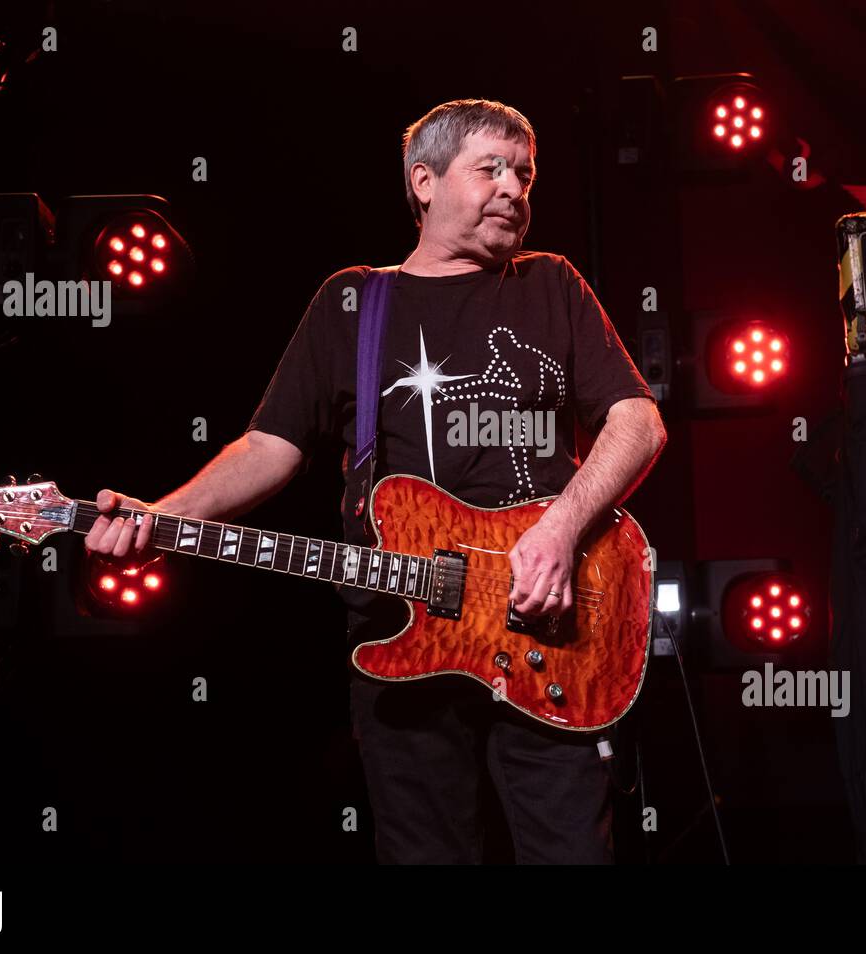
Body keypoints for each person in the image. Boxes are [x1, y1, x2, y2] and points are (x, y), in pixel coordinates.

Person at [84, 98, 667, 863]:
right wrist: (161, 515)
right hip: (398, 637)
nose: (514, 188)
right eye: (490, 168)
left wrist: (558, 531)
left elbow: (638, 422)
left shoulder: (551, 284)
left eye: (525, 173)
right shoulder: (353, 300)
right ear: (423, 181)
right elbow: (269, 446)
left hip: (550, 633)